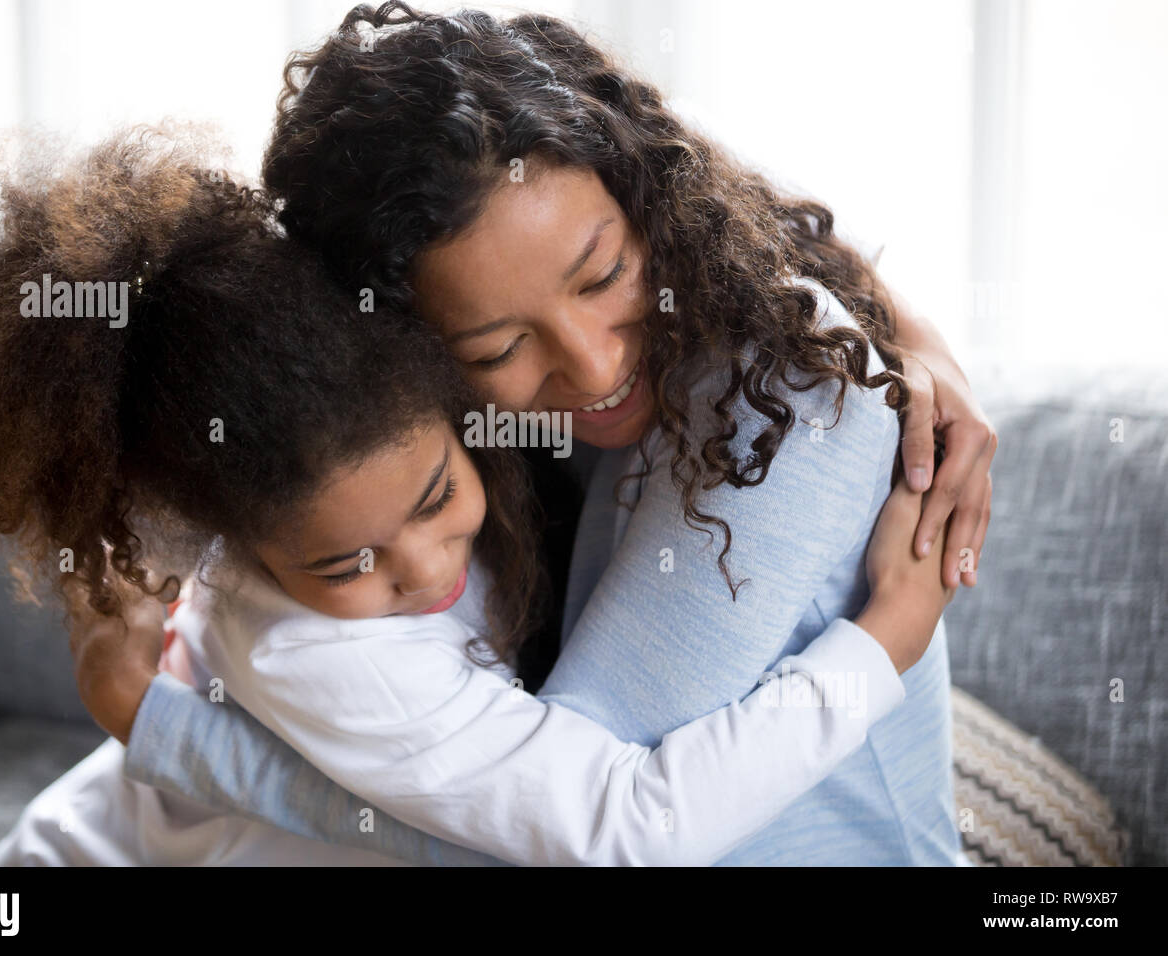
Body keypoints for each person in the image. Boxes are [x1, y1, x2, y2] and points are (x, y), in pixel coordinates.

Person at [0, 129, 951, 866]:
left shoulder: (501, 397)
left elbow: (628, 155)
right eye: (344, 564)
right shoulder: (323, 655)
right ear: (235, 547)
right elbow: (622, 828)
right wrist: (882, 639)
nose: (427, 568)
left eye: (437, 497)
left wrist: (912, 338)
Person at [73, 5, 996, 865]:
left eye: (601, 278)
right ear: (404, 351)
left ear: (649, 196)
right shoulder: (405, 439)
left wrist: (164, 732)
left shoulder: (787, 405)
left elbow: (581, 835)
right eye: (499, 345)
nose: (594, 370)